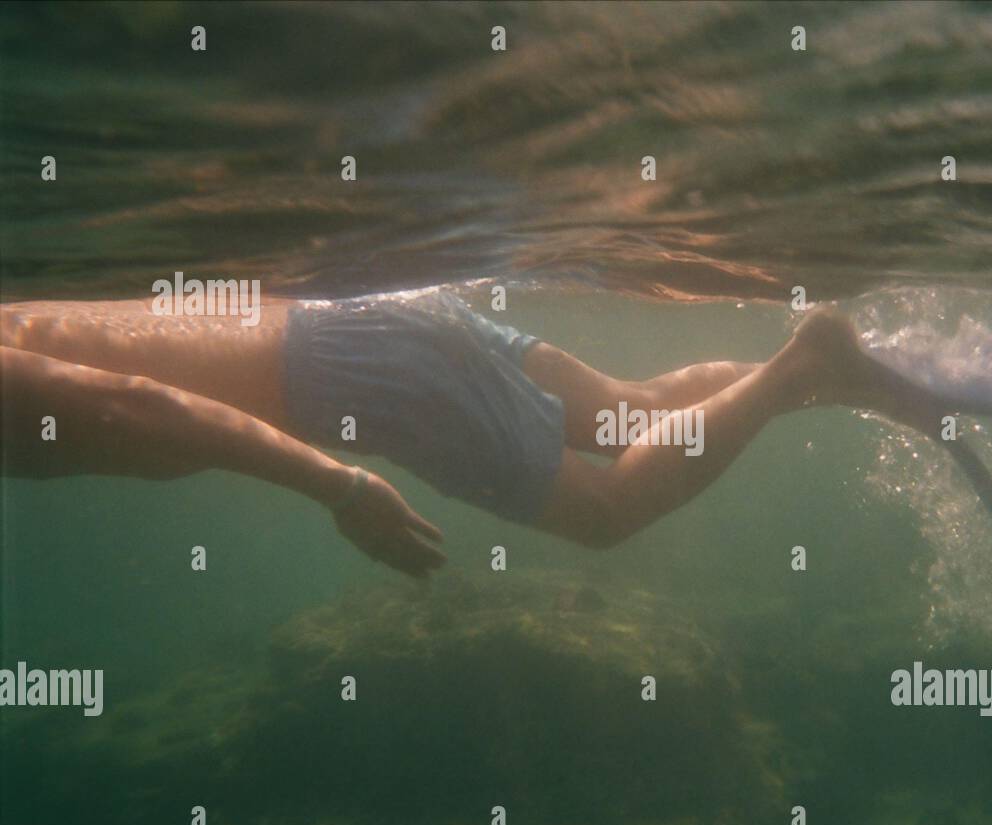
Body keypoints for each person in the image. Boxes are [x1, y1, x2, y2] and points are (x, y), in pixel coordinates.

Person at [0, 289, 937, 577]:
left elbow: (137, 405)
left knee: (605, 508)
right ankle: (846, 374)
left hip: (355, 375)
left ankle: (802, 365)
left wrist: (343, 486)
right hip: (362, 324)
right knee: (637, 410)